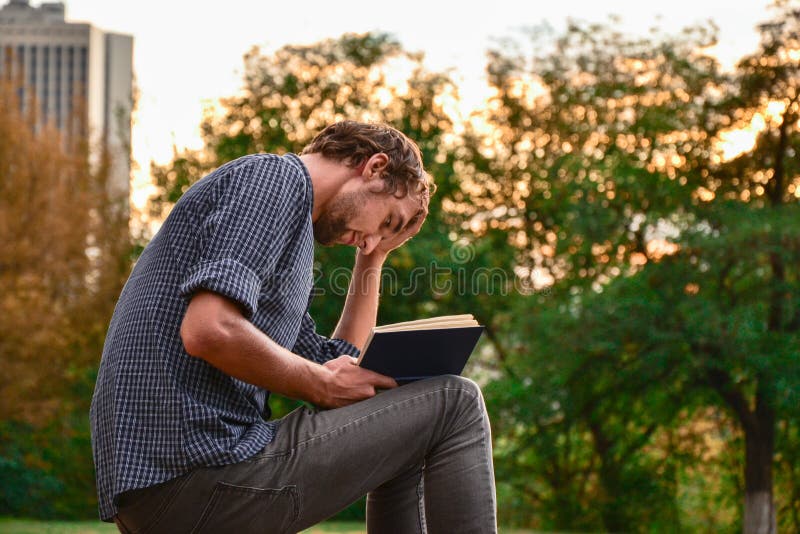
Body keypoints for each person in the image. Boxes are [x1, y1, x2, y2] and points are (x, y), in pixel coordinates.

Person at [90, 120, 497, 533]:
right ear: (374, 168)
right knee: (454, 401)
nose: (373, 240)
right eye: (388, 222)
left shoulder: (289, 233)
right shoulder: (274, 180)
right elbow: (209, 329)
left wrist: (372, 262)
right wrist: (320, 384)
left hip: (175, 484)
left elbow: (339, 363)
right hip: (196, 472)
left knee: (406, 413)